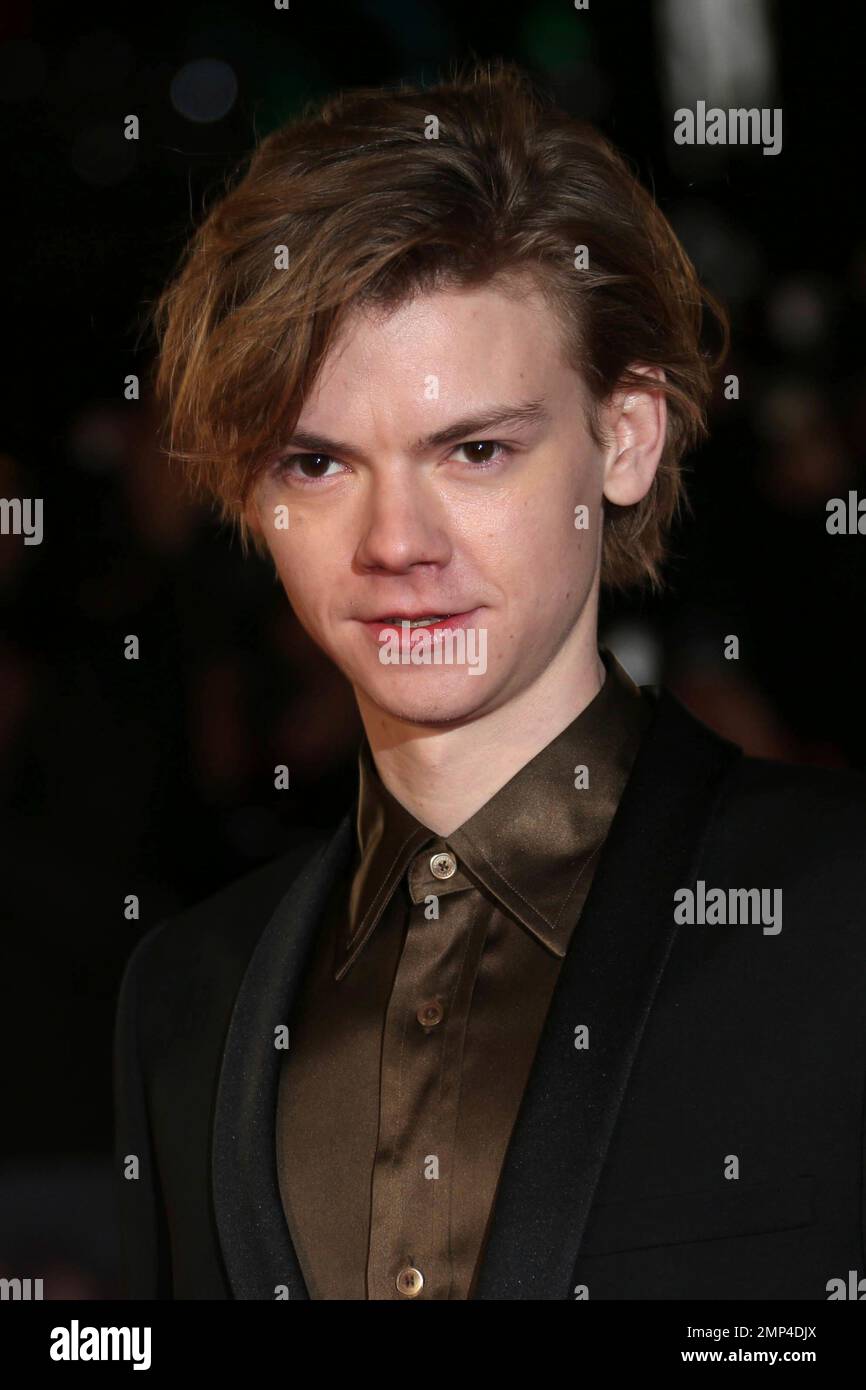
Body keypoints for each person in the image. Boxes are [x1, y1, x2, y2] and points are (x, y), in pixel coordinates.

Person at [113, 61, 866, 1301]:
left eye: (473, 449)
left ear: (622, 439)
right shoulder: (187, 996)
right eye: (316, 462)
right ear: (249, 492)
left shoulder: (837, 912)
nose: (395, 541)